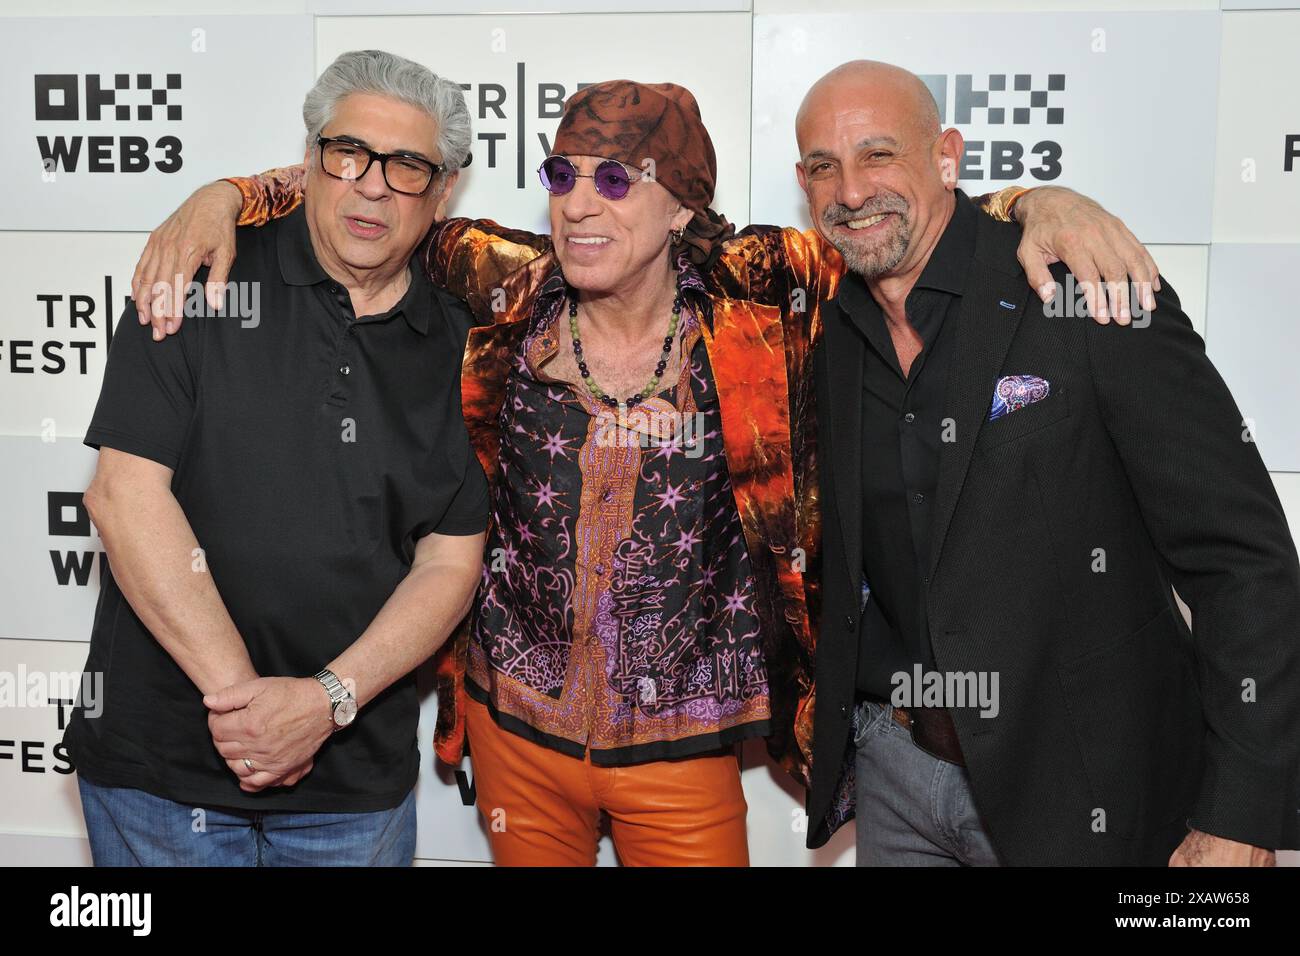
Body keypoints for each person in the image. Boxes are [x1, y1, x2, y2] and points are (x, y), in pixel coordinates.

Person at [129, 73, 1154, 865]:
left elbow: (902, 218)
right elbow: (365, 195)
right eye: (563, 174)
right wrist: (222, 196)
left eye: (617, 179)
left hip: (685, 751)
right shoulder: (500, 274)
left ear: (681, 208)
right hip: (514, 735)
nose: (579, 203)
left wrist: (1038, 200)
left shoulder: (766, 291)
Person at [801, 60, 1300, 865]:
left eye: (879, 155)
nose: (852, 190)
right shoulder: (823, 333)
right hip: (895, 777)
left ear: (947, 155)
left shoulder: (1085, 287)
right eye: (825, 166)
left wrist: (1241, 811)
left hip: (1083, 788)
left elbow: (1241, 560)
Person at [63, 50, 488, 866]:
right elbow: (124, 498)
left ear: (442, 193)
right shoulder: (197, 277)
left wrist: (325, 704)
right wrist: (250, 713)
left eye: (407, 167)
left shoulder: (465, 346)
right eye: (348, 153)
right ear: (307, 162)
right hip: (158, 775)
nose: (371, 185)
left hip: (353, 787)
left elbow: (448, 557)